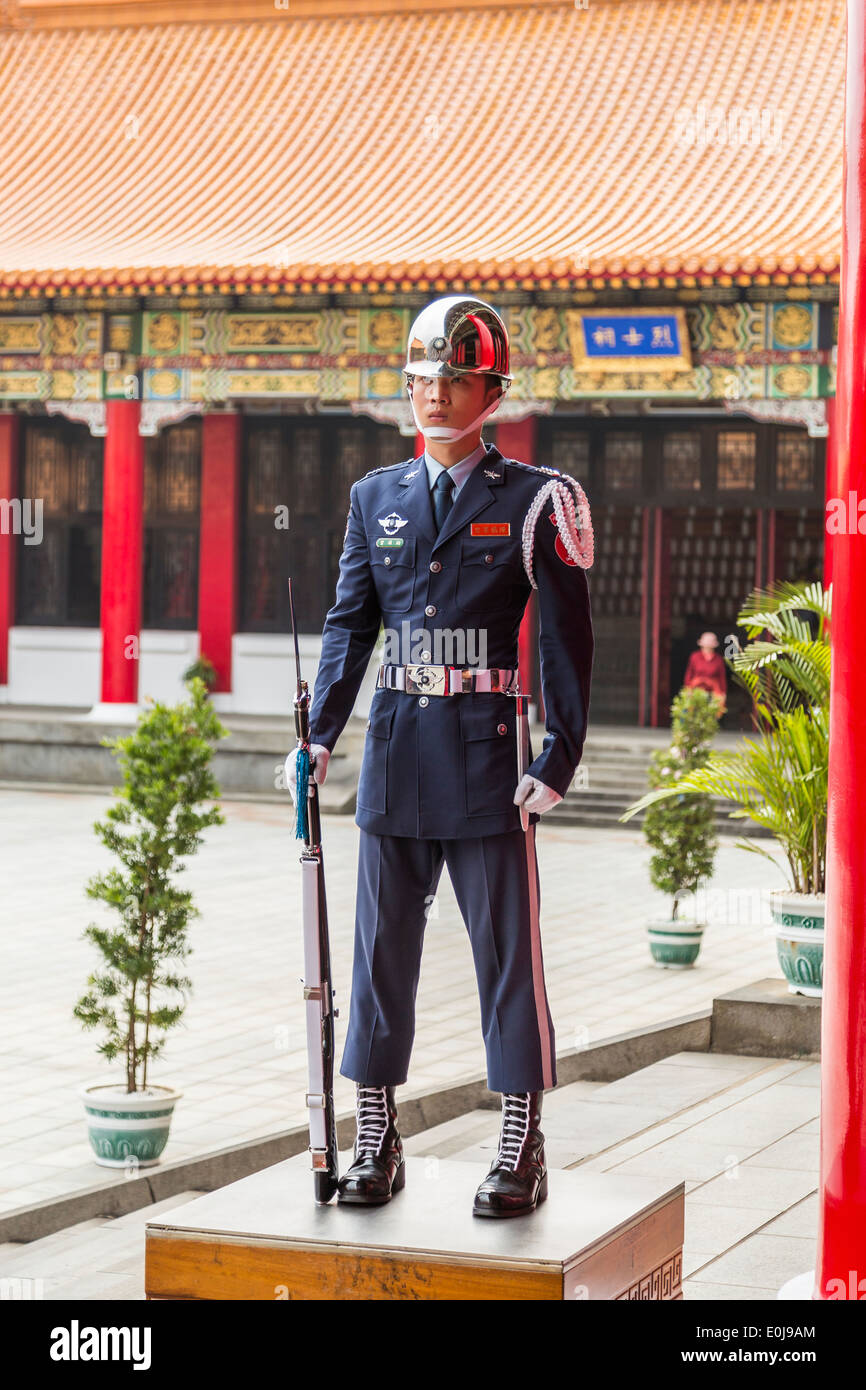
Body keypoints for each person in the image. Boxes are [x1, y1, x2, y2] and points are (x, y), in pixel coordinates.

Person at [286, 295, 594, 1217]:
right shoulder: (373, 497)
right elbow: (349, 626)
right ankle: (375, 1132)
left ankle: (519, 1138)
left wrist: (560, 756)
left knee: (506, 953)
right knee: (380, 952)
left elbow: (567, 645)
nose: (432, 393)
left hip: (490, 756)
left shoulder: (536, 498)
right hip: (396, 751)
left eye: (452, 377)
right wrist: (317, 737)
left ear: (489, 391)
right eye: (421, 377)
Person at [683, 631, 727, 715]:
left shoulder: (718, 659)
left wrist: (723, 693)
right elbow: (689, 673)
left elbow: (722, 677)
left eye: (709, 646)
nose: (707, 648)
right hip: (696, 689)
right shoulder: (695, 657)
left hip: (712, 690)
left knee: (714, 710)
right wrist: (688, 687)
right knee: (689, 708)